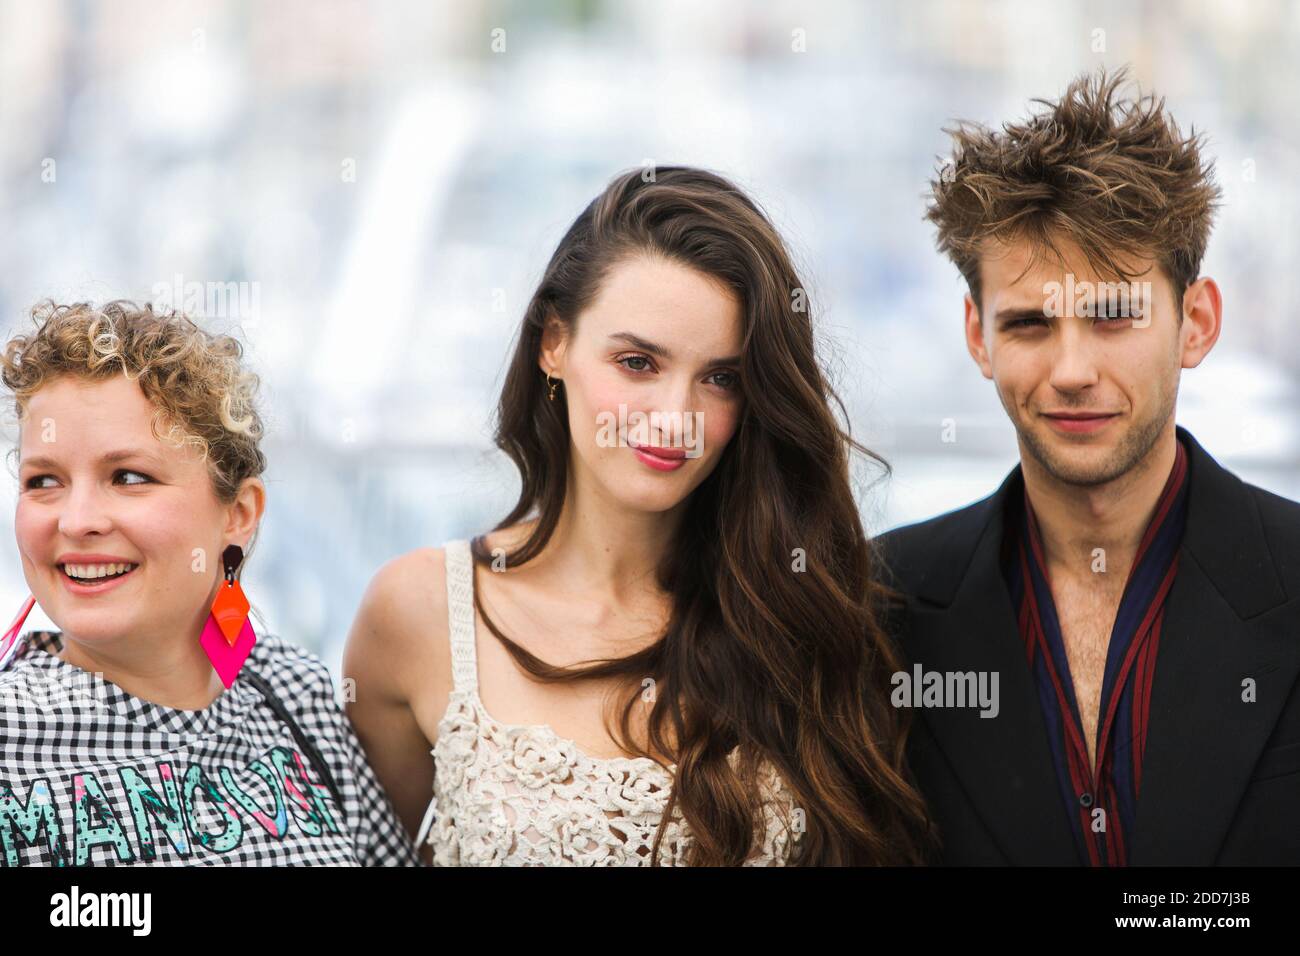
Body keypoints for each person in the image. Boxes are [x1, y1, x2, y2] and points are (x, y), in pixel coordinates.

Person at [344, 165, 935, 865]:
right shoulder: (416, 614)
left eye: (720, 379)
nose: (677, 419)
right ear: (553, 344)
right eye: (637, 363)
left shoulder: (801, 614)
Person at [877, 69, 1300, 865]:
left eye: (1112, 317)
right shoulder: (877, 606)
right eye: (1031, 323)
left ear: (1196, 322)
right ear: (979, 337)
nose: (1071, 370)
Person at [0, 300, 418, 867]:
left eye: (128, 477)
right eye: (43, 480)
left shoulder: (297, 696)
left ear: (238, 514)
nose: (76, 521)